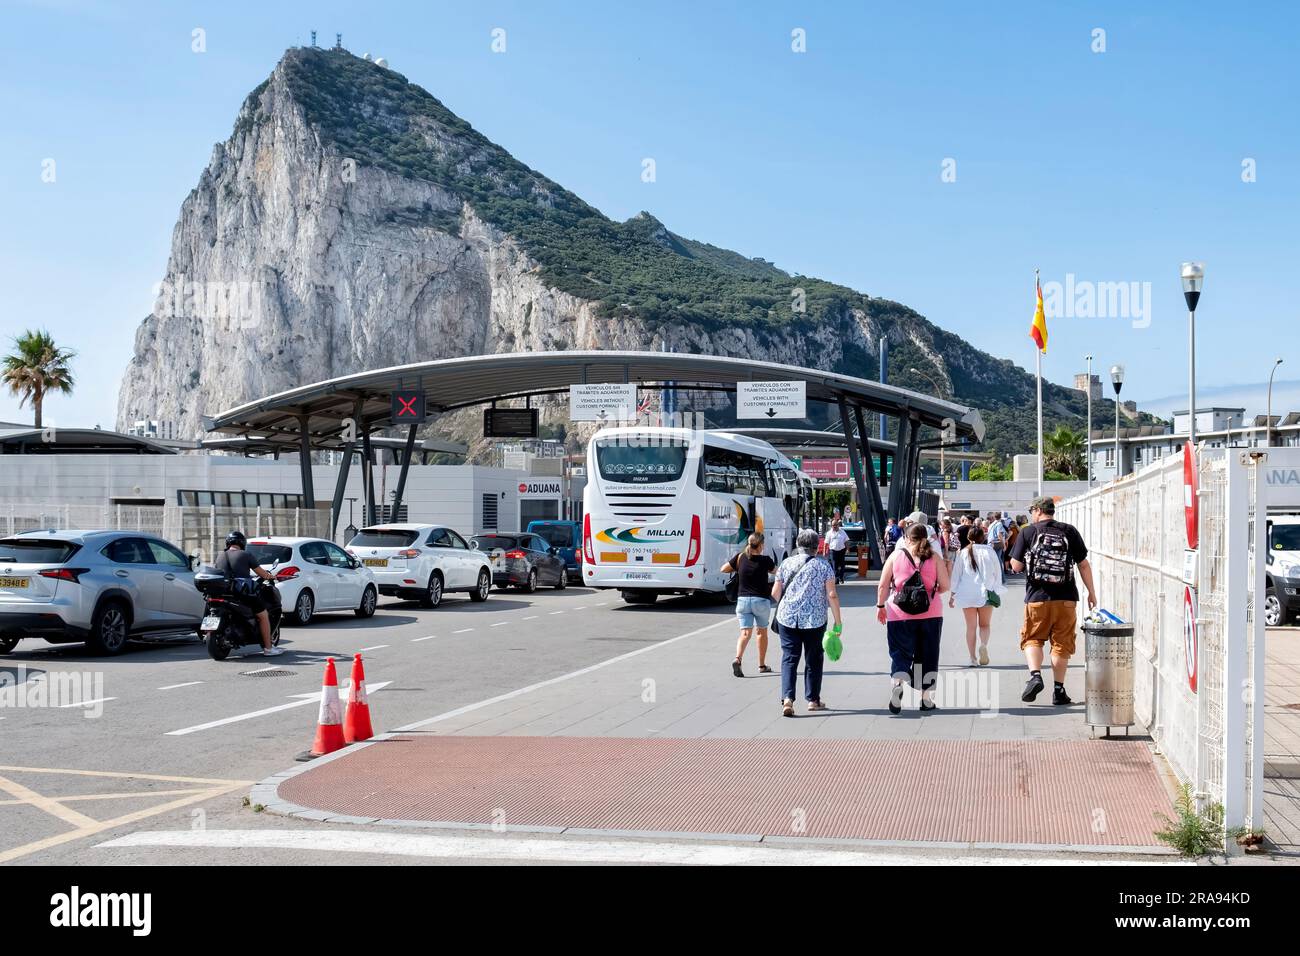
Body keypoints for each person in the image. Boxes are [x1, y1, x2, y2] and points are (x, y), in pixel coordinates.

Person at [1008, 497, 1097, 705]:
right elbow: (1083, 565)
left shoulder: (1028, 532)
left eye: (1032, 510)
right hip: (1066, 599)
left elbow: (1016, 567)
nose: (1032, 514)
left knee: (1032, 638)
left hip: (1036, 598)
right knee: (1061, 645)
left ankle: (1036, 675)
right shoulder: (1069, 531)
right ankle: (1059, 691)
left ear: (1039, 510)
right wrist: (1091, 593)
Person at [876, 523, 950, 713]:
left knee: (900, 653)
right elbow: (945, 585)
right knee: (928, 655)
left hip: (898, 614)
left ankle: (897, 684)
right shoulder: (934, 557)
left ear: (907, 538)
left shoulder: (896, 555)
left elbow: (883, 585)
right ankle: (926, 700)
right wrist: (930, 592)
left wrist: (880, 606)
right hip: (931, 613)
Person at [771, 529, 843, 717]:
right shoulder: (824, 566)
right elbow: (832, 595)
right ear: (816, 547)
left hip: (787, 618)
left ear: (798, 545)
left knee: (789, 657)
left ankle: (787, 699)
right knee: (813, 658)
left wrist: (788, 604)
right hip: (814, 620)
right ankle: (813, 700)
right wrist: (838, 622)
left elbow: (775, 592)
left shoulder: (786, 563)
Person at [215, 530, 282, 656]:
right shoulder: (246, 555)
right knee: (263, 615)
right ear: (242, 543)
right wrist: (271, 577)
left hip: (223, 593)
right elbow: (262, 574)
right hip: (241, 593)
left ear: (228, 543)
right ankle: (268, 648)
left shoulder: (220, 556)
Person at [948, 526, 1005, 666]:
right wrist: (996, 588)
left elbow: (956, 575)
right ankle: (983, 645)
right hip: (986, 593)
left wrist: (952, 594)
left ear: (968, 538)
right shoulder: (990, 551)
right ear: (983, 537)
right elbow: (998, 572)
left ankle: (972, 658)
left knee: (970, 627)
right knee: (985, 625)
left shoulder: (963, 553)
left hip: (967, 593)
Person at [722, 532, 776, 678]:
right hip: (761, 601)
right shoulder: (765, 560)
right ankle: (762, 665)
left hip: (743, 601)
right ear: (761, 545)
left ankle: (738, 659)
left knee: (745, 633)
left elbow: (723, 569)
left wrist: (738, 568)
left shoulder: (740, 557)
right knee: (761, 632)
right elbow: (777, 572)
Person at [824, 518, 849, 585]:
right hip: (833, 551)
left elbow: (846, 541)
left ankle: (841, 578)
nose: (834, 526)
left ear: (838, 525)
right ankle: (836, 579)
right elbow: (826, 543)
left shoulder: (842, 532)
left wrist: (847, 549)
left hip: (841, 551)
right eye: (833, 525)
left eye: (835, 525)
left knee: (842, 566)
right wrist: (824, 551)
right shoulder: (829, 533)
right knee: (834, 566)